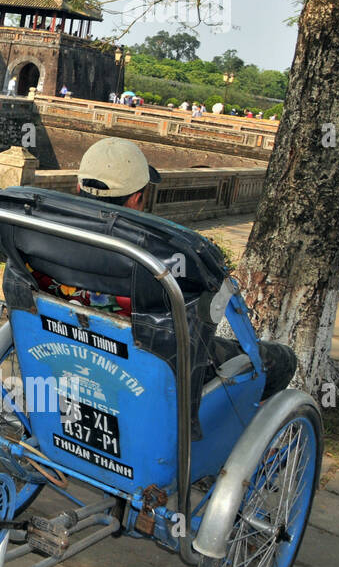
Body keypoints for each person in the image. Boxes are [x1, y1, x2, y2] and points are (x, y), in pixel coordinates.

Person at [53, 138, 294, 395]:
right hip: (146, 363)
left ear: (78, 187)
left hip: (62, 344)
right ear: (136, 199)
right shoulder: (164, 254)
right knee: (282, 359)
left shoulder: (48, 234)